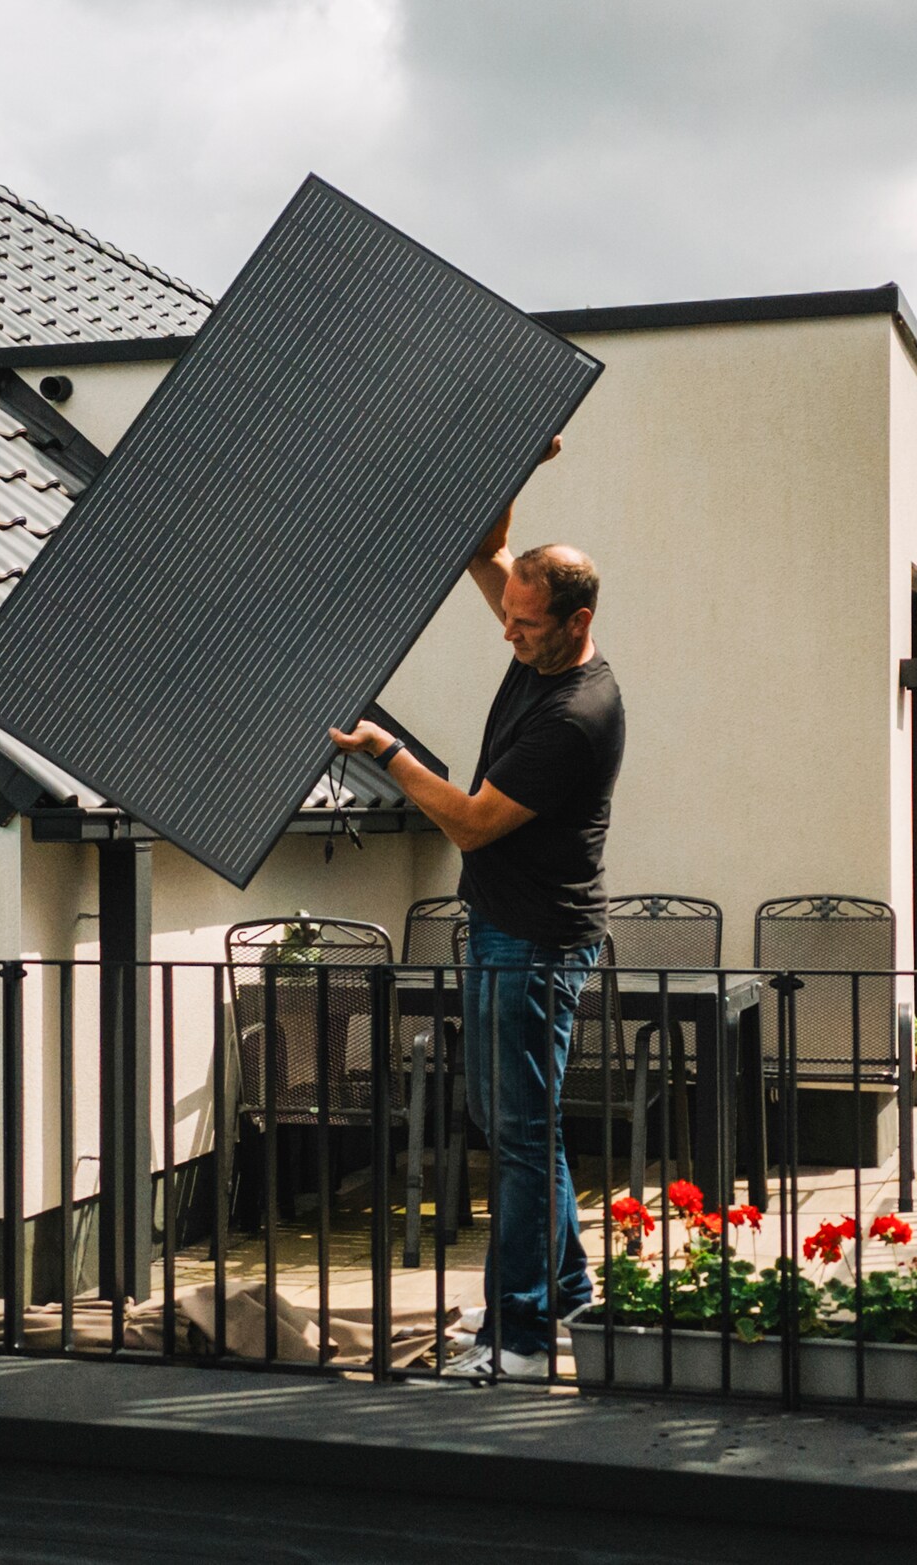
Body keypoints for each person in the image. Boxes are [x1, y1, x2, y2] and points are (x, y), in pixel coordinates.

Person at [329, 439, 627, 1378]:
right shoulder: (536, 640)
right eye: (509, 616)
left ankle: (523, 1340)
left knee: (518, 1137)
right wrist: (513, 450)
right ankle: (569, 1295)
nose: (508, 632)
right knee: (520, 1127)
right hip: (508, 933)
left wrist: (388, 754)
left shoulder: (574, 718)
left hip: (535, 944)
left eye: (527, 625)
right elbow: (481, 550)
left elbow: (467, 823)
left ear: (575, 622)